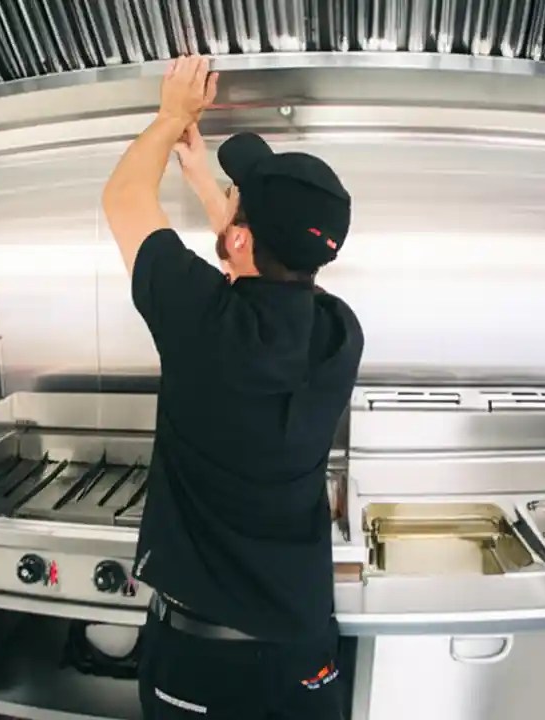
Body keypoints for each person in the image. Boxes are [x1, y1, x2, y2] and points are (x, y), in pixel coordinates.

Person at [100, 56, 364, 719]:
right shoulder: (340, 331)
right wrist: (222, 209)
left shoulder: (203, 324)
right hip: (304, 653)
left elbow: (124, 199)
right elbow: (274, 277)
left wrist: (171, 118)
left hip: (203, 662)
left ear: (242, 237)